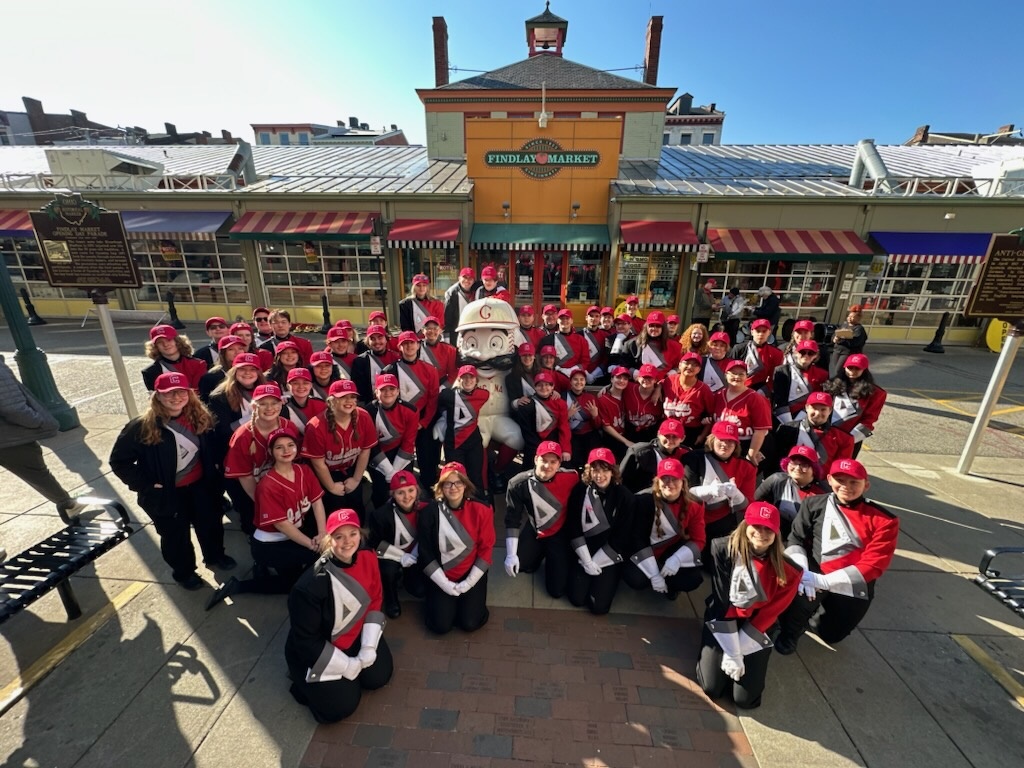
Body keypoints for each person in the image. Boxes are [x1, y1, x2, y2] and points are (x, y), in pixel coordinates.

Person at [110, 372, 235, 590]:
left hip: (200, 486)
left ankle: (215, 556)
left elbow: (213, 447)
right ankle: (185, 572)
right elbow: (120, 462)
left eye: (181, 392)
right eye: (169, 393)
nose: (176, 397)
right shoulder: (141, 426)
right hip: (166, 493)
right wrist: (146, 484)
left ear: (189, 394)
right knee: (175, 536)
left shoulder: (201, 417)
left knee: (210, 525)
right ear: (157, 396)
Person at [774, 459, 899, 654]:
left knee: (830, 635)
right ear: (830, 480)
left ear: (866, 485)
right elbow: (796, 538)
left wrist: (827, 581)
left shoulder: (885, 520)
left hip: (853, 580)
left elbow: (875, 564)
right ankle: (790, 632)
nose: (846, 487)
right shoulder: (813, 504)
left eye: (854, 483)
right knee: (798, 600)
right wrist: (802, 572)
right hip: (814, 571)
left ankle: (815, 615)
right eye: (840, 480)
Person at [285, 508, 393, 724]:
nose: (347, 542)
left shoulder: (368, 556)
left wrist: (368, 646)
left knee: (379, 677)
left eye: (352, 534)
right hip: (320, 646)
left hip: (354, 635)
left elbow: (375, 599)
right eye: (338, 536)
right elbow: (306, 640)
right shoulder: (309, 585)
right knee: (343, 707)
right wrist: (345, 665)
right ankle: (301, 682)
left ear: (360, 534)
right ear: (328, 539)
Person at [206, 428, 327, 609]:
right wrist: (312, 544)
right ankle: (238, 585)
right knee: (302, 575)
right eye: (279, 447)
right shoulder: (268, 484)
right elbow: (283, 525)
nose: (286, 451)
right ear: (270, 452)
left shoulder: (304, 471)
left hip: (293, 533)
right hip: (270, 544)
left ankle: (265, 571)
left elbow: (317, 503)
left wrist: (323, 533)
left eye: (290, 445)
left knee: (306, 570)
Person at [697, 501, 801, 709]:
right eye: (756, 526)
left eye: (768, 528)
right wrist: (733, 653)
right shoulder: (722, 549)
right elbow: (722, 599)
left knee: (744, 699)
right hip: (724, 617)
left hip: (757, 626)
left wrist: (740, 649)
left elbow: (772, 612)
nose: (762, 533)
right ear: (745, 525)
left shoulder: (791, 570)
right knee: (712, 687)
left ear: (776, 532)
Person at [0, 355, 86, 519]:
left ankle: (67, 503)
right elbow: (13, 408)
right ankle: (67, 504)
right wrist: (40, 422)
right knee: (36, 472)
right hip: (10, 437)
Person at [418, 462, 495, 634]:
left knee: (469, 623)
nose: (453, 487)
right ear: (441, 487)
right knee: (441, 626)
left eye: (458, 482)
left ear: (466, 485)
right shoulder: (430, 512)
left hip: (470, 572)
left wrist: (469, 582)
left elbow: (486, 548)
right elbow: (425, 552)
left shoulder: (481, 510)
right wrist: (443, 583)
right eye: (448, 483)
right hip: (442, 574)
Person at [504, 441, 579, 598]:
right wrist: (510, 554)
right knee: (521, 564)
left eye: (553, 462)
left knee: (556, 591)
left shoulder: (571, 478)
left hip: (560, 534)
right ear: (535, 459)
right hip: (535, 529)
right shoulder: (518, 483)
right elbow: (513, 518)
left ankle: (563, 557)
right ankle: (537, 555)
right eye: (544, 460)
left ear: (559, 464)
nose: (547, 466)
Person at [565, 448, 636, 615]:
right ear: (589, 471)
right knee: (576, 599)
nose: (600, 475)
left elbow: (622, 536)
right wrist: (587, 560)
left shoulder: (625, 497)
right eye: (595, 470)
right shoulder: (580, 490)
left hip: (609, 553)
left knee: (599, 607)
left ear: (613, 471)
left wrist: (597, 561)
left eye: (605, 470)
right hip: (584, 552)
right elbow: (573, 526)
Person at [223, 383, 298, 536]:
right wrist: (263, 501)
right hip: (248, 486)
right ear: (253, 406)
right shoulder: (242, 436)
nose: (269, 408)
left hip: (276, 481)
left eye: (274, 403)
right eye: (263, 403)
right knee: (253, 521)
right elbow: (245, 475)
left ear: (281, 403)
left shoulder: (288, 426)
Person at [626, 457, 705, 599]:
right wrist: (654, 574)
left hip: (669, 551)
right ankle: (657, 577)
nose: (670, 484)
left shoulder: (695, 505)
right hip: (644, 550)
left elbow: (699, 540)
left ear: (683, 481)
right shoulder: (642, 500)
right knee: (637, 581)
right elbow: (636, 538)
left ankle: (670, 583)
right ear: (657, 481)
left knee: (691, 579)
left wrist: (677, 559)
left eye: (674, 479)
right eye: (665, 479)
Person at [301, 380, 377, 518]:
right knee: (335, 506)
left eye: (353, 397)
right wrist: (331, 487)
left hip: (351, 468)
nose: (349, 401)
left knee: (356, 505)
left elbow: (365, 451)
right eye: (343, 397)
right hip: (327, 472)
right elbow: (318, 464)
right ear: (331, 400)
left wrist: (356, 479)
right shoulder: (316, 426)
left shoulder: (364, 416)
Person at [685, 421, 755, 562]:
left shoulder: (746, 467)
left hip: (723, 522)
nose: (725, 444)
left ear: (736, 444)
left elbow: (748, 506)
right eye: (721, 439)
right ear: (712, 439)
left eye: (731, 441)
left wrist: (736, 495)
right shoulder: (693, 458)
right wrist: (706, 491)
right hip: (693, 519)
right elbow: (683, 494)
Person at [384, 331, 441, 490]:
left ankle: (429, 485)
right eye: (405, 343)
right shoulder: (390, 370)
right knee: (401, 458)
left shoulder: (430, 369)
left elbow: (433, 398)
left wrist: (423, 422)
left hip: (423, 421)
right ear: (399, 347)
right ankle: (400, 487)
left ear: (418, 345)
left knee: (427, 456)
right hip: (399, 421)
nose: (409, 346)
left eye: (412, 343)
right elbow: (387, 398)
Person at [367, 469, 427, 618]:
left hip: (416, 555)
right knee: (388, 571)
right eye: (400, 492)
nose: (407, 497)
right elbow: (375, 543)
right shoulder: (380, 515)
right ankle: (391, 597)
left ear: (417, 490)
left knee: (419, 590)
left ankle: (407, 577)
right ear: (392, 494)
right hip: (391, 556)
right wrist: (401, 556)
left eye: (411, 490)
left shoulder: (427, 508)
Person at [364, 373, 418, 508]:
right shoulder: (367, 412)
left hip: (401, 454)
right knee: (381, 492)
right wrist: (389, 471)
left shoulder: (410, 411)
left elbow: (408, 441)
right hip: (377, 455)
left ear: (398, 391)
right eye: (383, 389)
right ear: (376, 392)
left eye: (392, 389)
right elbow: (371, 444)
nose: (388, 393)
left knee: (405, 489)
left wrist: (395, 470)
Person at [754, 445, 827, 540]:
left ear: (814, 469)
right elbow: (754, 504)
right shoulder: (777, 480)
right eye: (793, 463)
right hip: (773, 538)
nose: (797, 468)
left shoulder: (824, 492)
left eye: (804, 465)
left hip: (806, 542)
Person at [437, 365, 490, 494]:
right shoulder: (447, 395)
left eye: (471, 377)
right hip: (454, 443)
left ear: (476, 380)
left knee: (475, 475)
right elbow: (438, 404)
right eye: (464, 377)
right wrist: (442, 419)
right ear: (459, 380)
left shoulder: (484, 395)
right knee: (455, 477)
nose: (467, 380)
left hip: (474, 441)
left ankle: (479, 504)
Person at [822, 353, 886, 458]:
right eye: (850, 367)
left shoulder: (876, 393)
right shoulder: (831, 384)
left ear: (864, 370)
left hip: (851, 438)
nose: (852, 371)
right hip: (826, 434)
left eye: (857, 368)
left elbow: (870, 419)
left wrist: (849, 439)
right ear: (844, 367)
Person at [773, 391, 854, 475]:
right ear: (807, 408)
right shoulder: (788, 429)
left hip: (822, 485)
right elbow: (774, 461)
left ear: (830, 410)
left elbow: (840, 472)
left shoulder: (844, 438)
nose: (818, 413)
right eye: (814, 408)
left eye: (823, 409)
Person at [715, 359, 772, 465]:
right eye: (733, 373)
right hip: (724, 445)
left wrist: (752, 454)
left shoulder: (756, 398)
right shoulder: (718, 395)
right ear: (726, 375)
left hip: (748, 445)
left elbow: (761, 430)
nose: (737, 377)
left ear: (746, 376)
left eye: (741, 374)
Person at [511, 370, 571, 468]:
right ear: (535, 387)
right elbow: (527, 432)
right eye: (540, 385)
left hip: (553, 441)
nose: (544, 388)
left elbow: (564, 427)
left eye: (547, 385)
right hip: (533, 444)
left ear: (552, 387)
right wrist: (539, 449)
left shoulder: (560, 404)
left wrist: (565, 449)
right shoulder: (526, 405)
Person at [619, 418, 688, 493]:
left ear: (682, 438)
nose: (670, 440)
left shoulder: (687, 454)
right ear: (658, 434)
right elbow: (620, 479)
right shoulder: (640, 453)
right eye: (666, 436)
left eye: (675, 436)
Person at [662, 353, 715, 448]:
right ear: (679, 365)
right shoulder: (668, 381)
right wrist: (657, 389)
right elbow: (655, 384)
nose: (690, 367)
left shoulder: (704, 389)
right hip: (667, 430)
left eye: (695, 365)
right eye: (687, 363)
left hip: (690, 433)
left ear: (699, 369)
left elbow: (711, 416)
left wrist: (702, 436)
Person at [772, 340, 827, 426]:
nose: (806, 356)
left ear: (816, 356)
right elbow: (779, 399)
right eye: (802, 352)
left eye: (810, 353)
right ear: (795, 352)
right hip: (783, 416)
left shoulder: (822, 374)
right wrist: (790, 424)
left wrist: (800, 420)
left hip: (808, 417)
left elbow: (817, 400)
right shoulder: (782, 371)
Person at [141, 325, 207, 392]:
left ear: (177, 341)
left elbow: (200, 391)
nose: (165, 344)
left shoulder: (197, 364)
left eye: (169, 340)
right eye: (160, 342)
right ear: (155, 347)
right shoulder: (150, 371)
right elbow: (156, 399)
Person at [730, 318, 783, 398]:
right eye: (758, 331)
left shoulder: (776, 353)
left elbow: (774, 379)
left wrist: (763, 391)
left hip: (760, 391)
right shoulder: (739, 349)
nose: (760, 334)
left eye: (764, 331)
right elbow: (729, 372)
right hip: (737, 387)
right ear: (752, 332)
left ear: (769, 332)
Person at [351, 324, 399, 405]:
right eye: (372, 339)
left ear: (386, 339)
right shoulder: (360, 361)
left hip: (394, 403)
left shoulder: (396, 358)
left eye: (380, 338)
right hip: (371, 405)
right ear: (368, 342)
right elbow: (359, 389)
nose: (377, 342)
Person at [563, 368, 600, 469]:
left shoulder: (590, 398)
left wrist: (595, 416)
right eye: (575, 379)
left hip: (589, 435)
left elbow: (597, 425)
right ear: (570, 382)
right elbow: (559, 423)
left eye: (582, 379)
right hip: (571, 436)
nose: (579, 382)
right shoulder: (564, 397)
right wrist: (567, 415)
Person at [625, 312, 681, 378]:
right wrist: (633, 372)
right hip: (640, 383)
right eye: (651, 325)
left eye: (658, 326)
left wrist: (673, 372)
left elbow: (680, 365)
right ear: (646, 326)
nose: (654, 328)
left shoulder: (675, 346)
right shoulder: (633, 343)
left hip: (664, 383)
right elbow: (623, 364)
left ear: (663, 327)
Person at [544, 309, 589, 390]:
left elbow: (585, 361)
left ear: (571, 321)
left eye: (567, 318)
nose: (564, 321)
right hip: (554, 377)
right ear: (557, 320)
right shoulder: (549, 339)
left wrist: (572, 370)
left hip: (574, 379)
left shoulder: (581, 340)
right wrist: (557, 368)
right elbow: (544, 359)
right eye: (562, 319)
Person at [596, 366, 633, 462]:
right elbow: (606, 427)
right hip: (612, 437)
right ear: (611, 379)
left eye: (625, 378)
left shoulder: (628, 392)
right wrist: (626, 442)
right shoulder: (603, 399)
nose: (622, 381)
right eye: (618, 377)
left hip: (628, 433)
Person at [198, 334, 246, 403]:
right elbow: (204, 403)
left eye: (240, 348)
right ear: (222, 353)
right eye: (231, 349)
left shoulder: (250, 374)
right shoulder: (210, 377)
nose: (237, 352)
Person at [623, 364, 663, 444]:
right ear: (638, 378)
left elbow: (666, 383)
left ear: (655, 380)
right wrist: (607, 387)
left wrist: (659, 388)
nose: (646, 380)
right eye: (644, 377)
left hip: (651, 432)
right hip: (630, 430)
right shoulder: (629, 387)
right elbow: (616, 384)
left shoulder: (661, 394)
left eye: (650, 377)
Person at [282, 368, 327, 435]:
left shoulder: (320, 404)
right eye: (295, 383)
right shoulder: (284, 407)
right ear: (288, 386)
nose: (301, 386)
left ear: (311, 385)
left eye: (305, 383)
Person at [830, 305, 868, 378]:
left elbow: (856, 342)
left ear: (858, 318)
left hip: (847, 353)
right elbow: (835, 333)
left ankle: (838, 383)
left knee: (838, 370)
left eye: (852, 317)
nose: (849, 318)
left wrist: (844, 338)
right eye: (849, 316)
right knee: (837, 369)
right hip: (837, 351)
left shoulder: (859, 329)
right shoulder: (844, 325)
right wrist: (835, 339)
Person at [419, 316, 458, 388]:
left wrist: (442, 388)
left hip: (441, 386)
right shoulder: (416, 348)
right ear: (422, 330)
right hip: (421, 387)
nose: (432, 331)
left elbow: (453, 374)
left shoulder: (449, 350)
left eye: (435, 328)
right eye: (428, 328)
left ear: (440, 330)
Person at [443, 267, 479, 345]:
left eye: (470, 278)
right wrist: (446, 341)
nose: (467, 281)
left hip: (475, 332)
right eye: (464, 277)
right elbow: (447, 319)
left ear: (474, 280)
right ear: (459, 278)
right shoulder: (452, 294)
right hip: (457, 333)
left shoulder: (478, 290)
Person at [579, 305, 610, 384]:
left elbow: (606, 358)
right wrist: (585, 372)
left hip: (599, 375)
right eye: (591, 316)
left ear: (600, 319)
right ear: (586, 318)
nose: (594, 318)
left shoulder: (605, 335)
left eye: (597, 316)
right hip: (581, 374)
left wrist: (595, 373)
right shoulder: (579, 335)